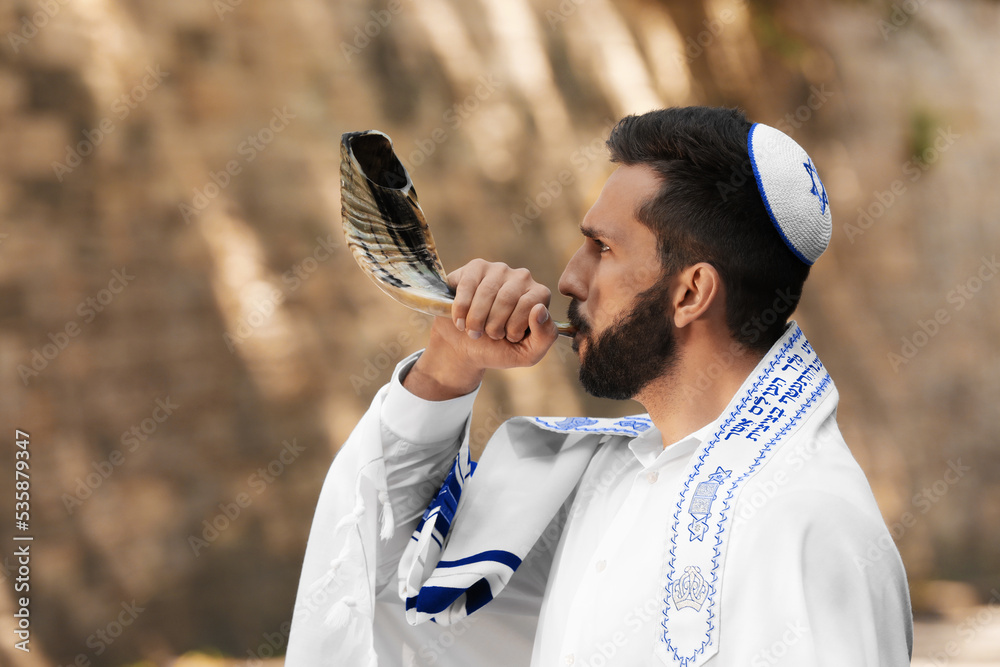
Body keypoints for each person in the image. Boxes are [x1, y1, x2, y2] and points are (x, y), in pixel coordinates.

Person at [286, 107, 913, 666]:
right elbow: (384, 587)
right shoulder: (606, 478)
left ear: (690, 292)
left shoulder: (810, 524)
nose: (568, 277)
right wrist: (447, 368)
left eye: (601, 248)